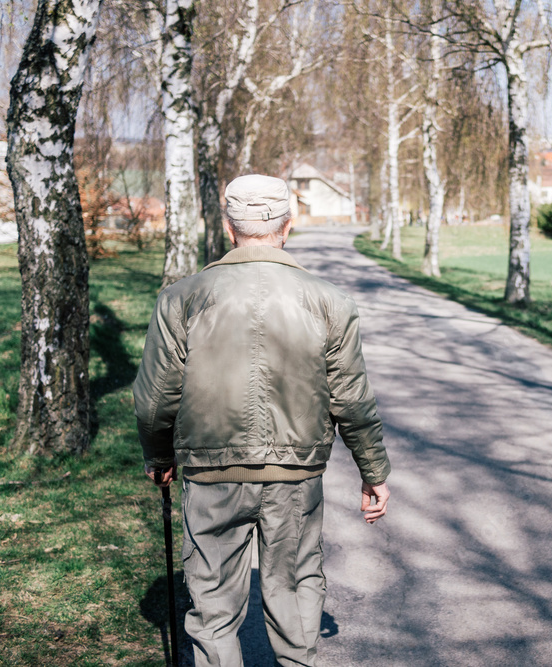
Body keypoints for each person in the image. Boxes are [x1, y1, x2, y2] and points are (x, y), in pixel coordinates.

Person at [133, 174, 391, 667]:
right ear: (287, 226)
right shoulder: (329, 300)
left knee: (212, 607)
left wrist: (159, 456)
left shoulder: (181, 297)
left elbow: (154, 398)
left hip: (210, 473)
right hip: (296, 474)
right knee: (294, 589)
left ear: (228, 228)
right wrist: (373, 472)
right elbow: (352, 400)